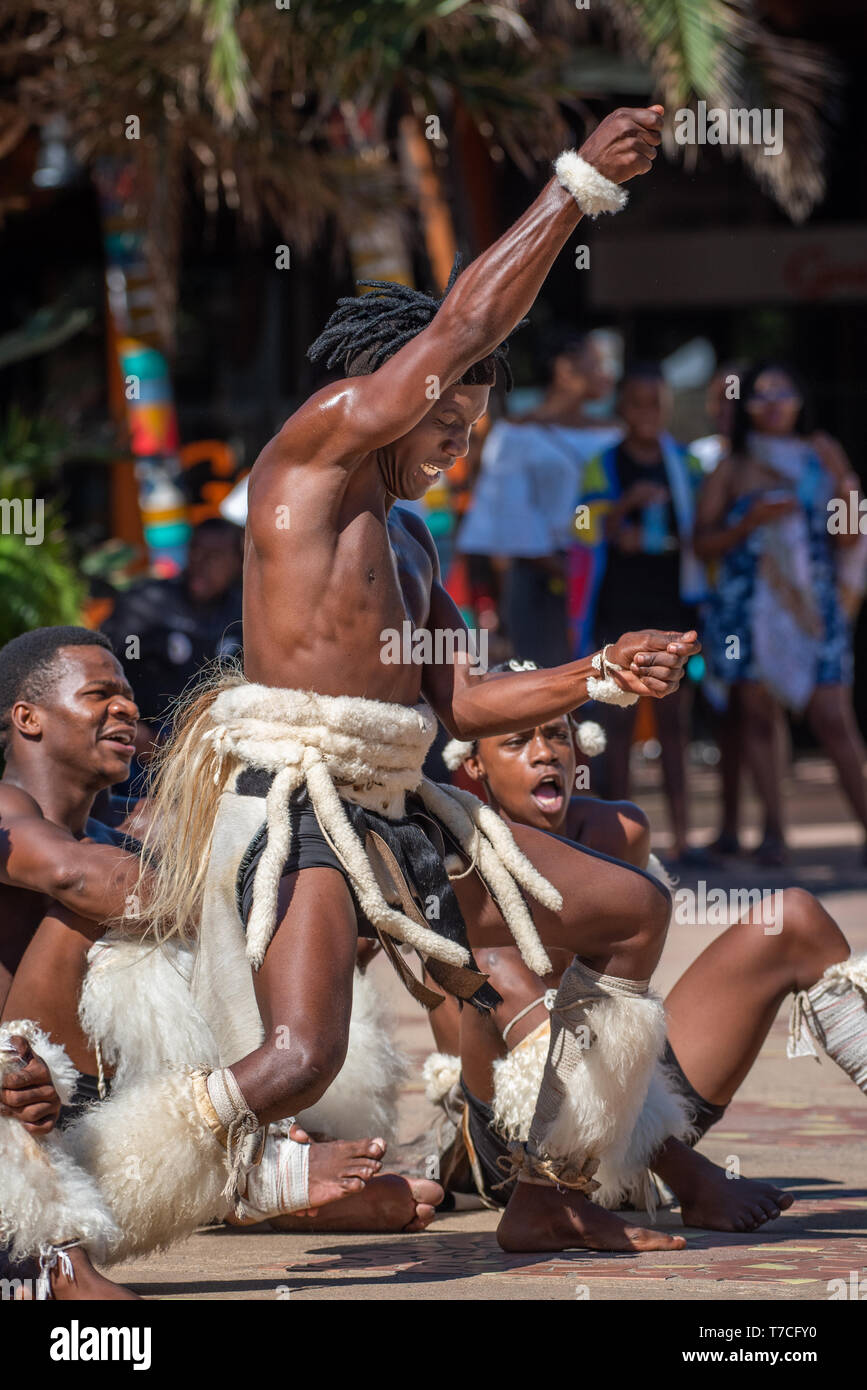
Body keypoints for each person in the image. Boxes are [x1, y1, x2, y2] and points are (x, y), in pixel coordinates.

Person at [0, 628, 435, 1299]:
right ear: (27, 717)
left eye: (127, 697)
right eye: (99, 695)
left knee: (210, 920)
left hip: (92, 1129)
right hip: (14, 1105)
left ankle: (242, 1171)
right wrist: (272, 898)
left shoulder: (121, 830)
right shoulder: (7, 812)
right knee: (95, 914)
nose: (125, 710)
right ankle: (73, 1261)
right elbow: (92, 883)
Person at [429, 702, 867, 1231]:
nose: (544, 753)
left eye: (556, 736)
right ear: (474, 767)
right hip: (516, 1136)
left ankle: (663, 1160)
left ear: (579, 747)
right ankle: (687, 1177)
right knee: (496, 967)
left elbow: (625, 989)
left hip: (637, 1101)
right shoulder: (448, 856)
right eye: (516, 742)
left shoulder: (620, 831)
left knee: (793, 918)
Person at [696, 361, 867, 865]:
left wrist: (844, 480)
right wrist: (749, 521)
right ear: (745, 406)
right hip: (748, 608)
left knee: (833, 717)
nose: (773, 403)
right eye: (761, 394)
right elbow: (702, 543)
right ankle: (773, 833)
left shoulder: (821, 455)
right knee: (756, 715)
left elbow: (849, 534)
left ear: (800, 400)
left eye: (784, 391)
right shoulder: (733, 463)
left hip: (815, 608)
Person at [573, 364, 707, 863]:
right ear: (622, 409)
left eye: (657, 402)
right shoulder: (602, 465)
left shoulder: (688, 466)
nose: (648, 412)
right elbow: (580, 523)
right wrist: (621, 510)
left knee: (675, 723)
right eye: (638, 402)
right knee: (619, 725)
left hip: (675, 608)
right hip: (618, 613)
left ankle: (683, 840)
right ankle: (618, 841)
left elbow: (708, 527)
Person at [457, 330, 621, 665]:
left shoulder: (615, 433)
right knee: (545, 687)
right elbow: (508, 523)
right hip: (542, 583)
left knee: (608, 688)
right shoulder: (516, 436)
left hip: (609, 579)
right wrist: (572, 572)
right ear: (565, 369)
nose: (608, 374)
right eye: (598, 364)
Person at [100, 517, 244, 773]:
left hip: (218, 749)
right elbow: (104, 669)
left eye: (215, 555)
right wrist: (134, 730)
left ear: (238, 561)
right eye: (196, 550)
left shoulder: (244, 614)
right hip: (144, 746)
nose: (202, 562)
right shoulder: (145, 604)